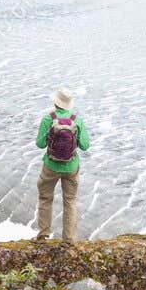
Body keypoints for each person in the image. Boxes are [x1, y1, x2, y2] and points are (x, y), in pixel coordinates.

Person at [35, 87, 90, 242]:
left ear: (55, 102)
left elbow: (39, 144)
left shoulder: (48, 119)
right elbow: (85, 145)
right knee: (70, 201)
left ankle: (43, 236)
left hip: (50, 166)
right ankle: (68, 240)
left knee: (45, 198)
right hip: (71, 167)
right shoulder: (76, 120)